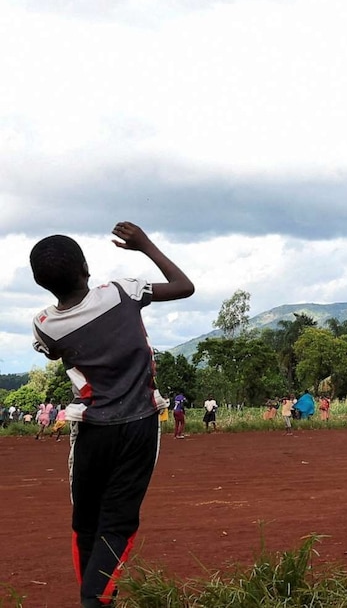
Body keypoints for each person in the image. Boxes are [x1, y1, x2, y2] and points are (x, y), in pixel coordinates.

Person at [30, 222, 195, 608]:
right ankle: (95, 600)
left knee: (85, 522)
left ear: (42, 284)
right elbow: (184, 286)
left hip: (90, 429)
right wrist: (144, 245)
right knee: (118, 522)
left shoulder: (44, 326)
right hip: (139, 423)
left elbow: (54, 352)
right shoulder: (123, 292)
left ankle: (96, 598)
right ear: (85, 267)